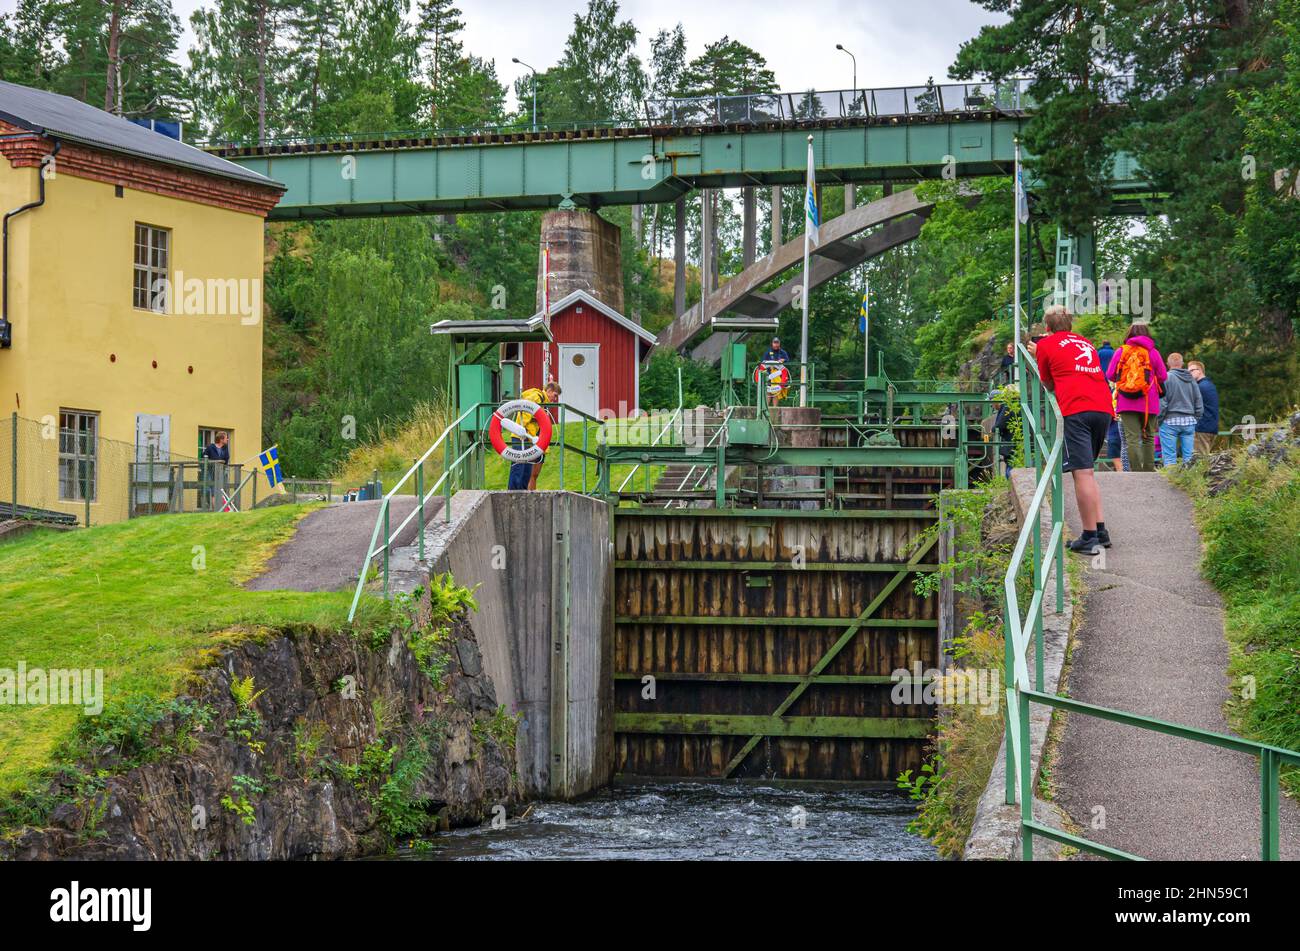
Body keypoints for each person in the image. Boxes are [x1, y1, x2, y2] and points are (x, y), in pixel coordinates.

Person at [1034, 306, 1114, 555]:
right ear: (1070, 324)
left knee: (1082, 473)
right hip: (1103, 407)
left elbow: (1047, 383)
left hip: (1076, 409)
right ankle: (1101, 530)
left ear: (1047, 327)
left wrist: (1038, 355)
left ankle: (1089, 536)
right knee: (1089, 473)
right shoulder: (1085, 342)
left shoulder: (1046, 345)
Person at [1106, 322, 1167, 472]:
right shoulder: (1153, 352)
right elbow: (1163, 376)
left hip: (1126, 401)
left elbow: (1110, 375)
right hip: (1149, 401)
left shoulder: (1121, 351)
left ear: (1129, 334)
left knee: (1132, 438)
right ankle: (1148, 470)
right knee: (1148, 437)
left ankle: (1136, 472)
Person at [507, 380, 561, 491]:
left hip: (529, 438)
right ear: (549, 391)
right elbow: (525, 414)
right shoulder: (537, 397)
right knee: (519, 465)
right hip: (522, 436)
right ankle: (513, 491)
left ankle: (521, 491)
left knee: (526, 468)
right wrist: (523, 432)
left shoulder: (544, 404)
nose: (555, 399)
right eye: (555, 395)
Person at [1158, 353, 1203, 467]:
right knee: (1188, 457)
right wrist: (1196, 417)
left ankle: (1167, 483)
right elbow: (1198, 400)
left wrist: (1159, 420)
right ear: (1182, 364)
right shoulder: (1191, 379)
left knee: (1169, 457)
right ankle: (1189, 482)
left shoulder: (1166, 378)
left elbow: (1163, 403)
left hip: (1169, 421)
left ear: (1168, 364)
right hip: (1189, 421)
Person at [1188, 360, 1219, 457]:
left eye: (1191, 371)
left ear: (1200, 370)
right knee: (1204, 459)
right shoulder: (1209, 384)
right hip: (1211, 427)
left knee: (1200, 460)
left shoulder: (1200, 387)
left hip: (1202, 428)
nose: (1189, 374)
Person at [201, 431, 230, 509]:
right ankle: (207, 507)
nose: (227, 439)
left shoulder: (225, 448)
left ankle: (217, 509)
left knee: (218, 490)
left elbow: (226, 459)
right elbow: (203, 457)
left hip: (220, 472)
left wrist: (222, 464)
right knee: (209, 490)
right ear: (221, 439)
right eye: (226, 437)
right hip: (209, 472)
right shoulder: (210, 447)